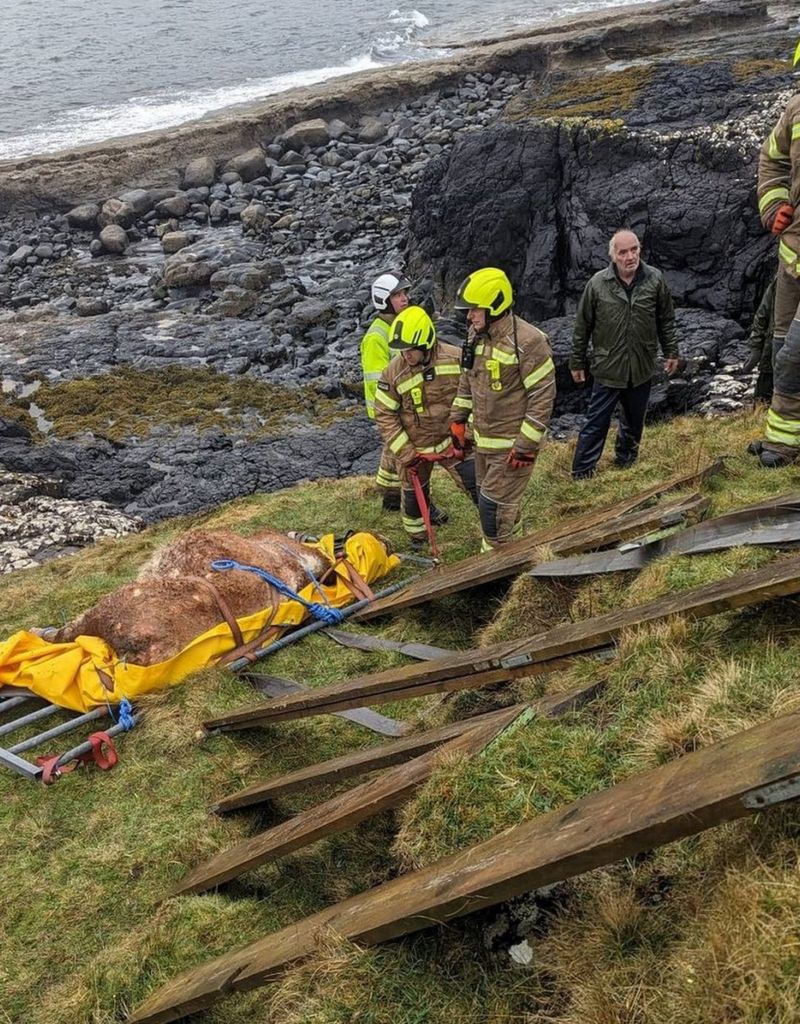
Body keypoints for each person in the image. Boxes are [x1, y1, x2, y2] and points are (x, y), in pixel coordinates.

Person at [450, 267, 555, 552]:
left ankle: (496, 570)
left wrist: (526, 446)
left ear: (495, 305)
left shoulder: (530, 342)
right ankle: (517, 550)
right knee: (500, 506)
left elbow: (542, 397)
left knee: (492, 510)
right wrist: (458, 420)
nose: (469, 316)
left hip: (511, 448)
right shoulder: (475, 335)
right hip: (484, 443)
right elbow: (466, 380)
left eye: (474, 309)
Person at [569, 230, 679, 480]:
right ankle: (582, 471)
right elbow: (582, 326)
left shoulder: (655, 279)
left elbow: (666, 320)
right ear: (613, 256)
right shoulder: (597, 284)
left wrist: (671, 350)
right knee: (595, 422)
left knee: (634, 419)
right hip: (607, 367)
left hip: (641, 365)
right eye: (623, 252)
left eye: (635, 249)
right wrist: (577, 361)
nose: (630, 256)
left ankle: (627, 461)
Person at [373, 306, 478, 548]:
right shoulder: (393, 374)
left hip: (454, 442)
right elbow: (385, 414)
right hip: (416, 449)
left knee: (477, 483)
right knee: (413, 498)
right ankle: (419, 541)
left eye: (409, 350)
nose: (405, 356)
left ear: (426, 342)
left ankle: (493, 528)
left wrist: (467, 433)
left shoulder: (455, 358)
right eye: (401, 350)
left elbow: (476, 397)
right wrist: (406, 453)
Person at [754, 45, 800, 467]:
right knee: (781, 346)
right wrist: (774, 206)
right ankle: (780, 436)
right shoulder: (796, 109)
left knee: (795, 354)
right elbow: (772, 160)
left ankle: (783, 447)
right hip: (792, 262)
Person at [360, 271, 410, 509]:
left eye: (404, 293)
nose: (405, 298)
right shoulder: (376, 337)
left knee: (392, 449)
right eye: (398, 295)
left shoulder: (398, 326)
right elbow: (377, 378)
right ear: (384, 300)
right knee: (402, 450)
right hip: (387, 406)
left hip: (397, 403)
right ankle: (400, 498)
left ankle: (387, 492)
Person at [744, 276, 776, 404]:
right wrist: (756, 349)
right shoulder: (780, 281)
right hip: (772, 351)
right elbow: (762, 315)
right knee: (762, 401)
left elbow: (762, 315)